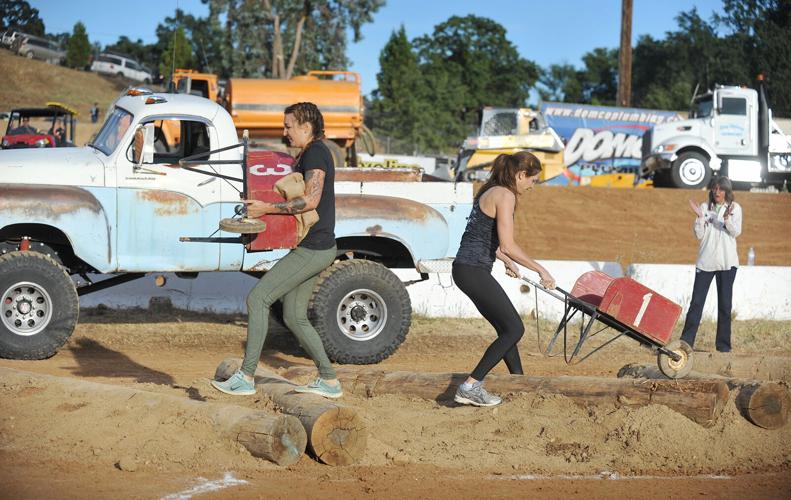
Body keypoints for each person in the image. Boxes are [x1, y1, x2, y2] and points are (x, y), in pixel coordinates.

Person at [212, 102, 342, 398]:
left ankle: (245, 377)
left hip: (314, 248)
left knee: (258, 299)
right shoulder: (312, 152)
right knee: (294, 317)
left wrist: (267, 209)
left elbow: (310, 200)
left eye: (288, 126)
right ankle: (330, 381)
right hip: (317, 246)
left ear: (306, 127)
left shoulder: (317, 152)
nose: (284, 132)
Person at [452, 152, 556, 407]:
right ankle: (470, 385)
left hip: (467, 269)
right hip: (473, 270)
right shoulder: (506, 196)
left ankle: (519, 382)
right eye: (533, 180)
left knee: (505, 328)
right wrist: (540, 269)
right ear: (521, 175)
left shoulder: (491, 190)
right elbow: (508, 244)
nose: (532, 186)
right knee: (515, 329)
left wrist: (505, 260)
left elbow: (488, 241)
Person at [680, 176, 742, 353]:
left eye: (721, 189)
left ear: (727, 191)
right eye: (715, 189)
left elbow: (736, 232)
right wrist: (700, 218)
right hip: (705, 262)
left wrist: (727, 219)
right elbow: (699, 235)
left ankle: (723, 348)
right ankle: (685, 344)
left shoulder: (735, 208)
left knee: (725, 305)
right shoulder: (704, 207)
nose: (717, 192)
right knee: (696, 303)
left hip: (727, 263)